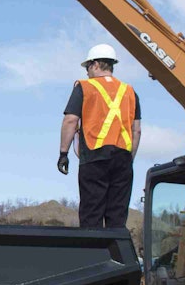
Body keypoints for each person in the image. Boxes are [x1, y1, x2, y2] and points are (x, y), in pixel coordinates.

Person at [57, 44, 142, 228]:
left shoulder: (85, 87)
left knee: (91, 215)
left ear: (95, 65)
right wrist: (130, 159)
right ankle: (116, 256)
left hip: (94, 158)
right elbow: (137, 130)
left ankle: (92, 256)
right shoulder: (130, 91)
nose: (87, 72)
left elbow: (70, 120)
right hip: (123, 160)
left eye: (87, 67)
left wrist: (63, 153)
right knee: (117, 217)